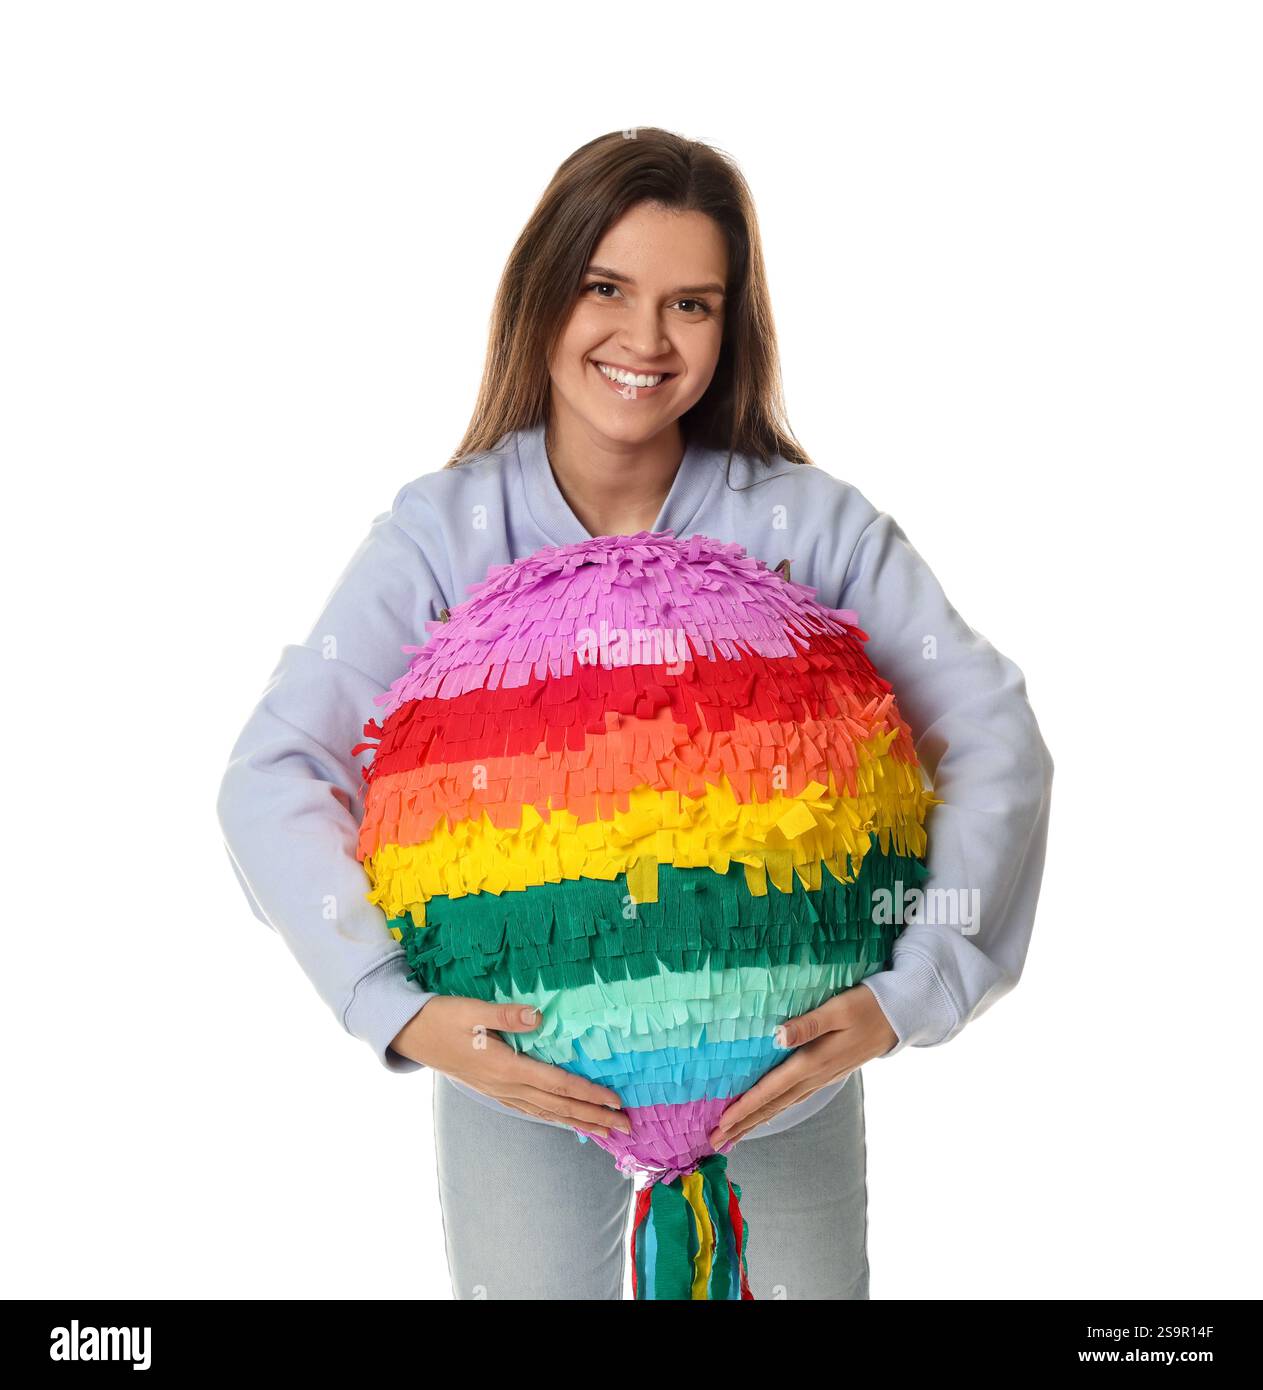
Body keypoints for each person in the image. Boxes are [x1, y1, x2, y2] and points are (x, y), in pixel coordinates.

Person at [216, 126, 1054, 1299]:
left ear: (733, 325)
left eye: (693, 304)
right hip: (521, 1068)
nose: (645, 340)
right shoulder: (443, 534)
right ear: (542, 293)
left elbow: (993, 730)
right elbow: (276, 767)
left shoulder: (808, 529)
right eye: (606, 287)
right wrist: (397, 1012)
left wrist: (913, 990)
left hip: (778, 1055)